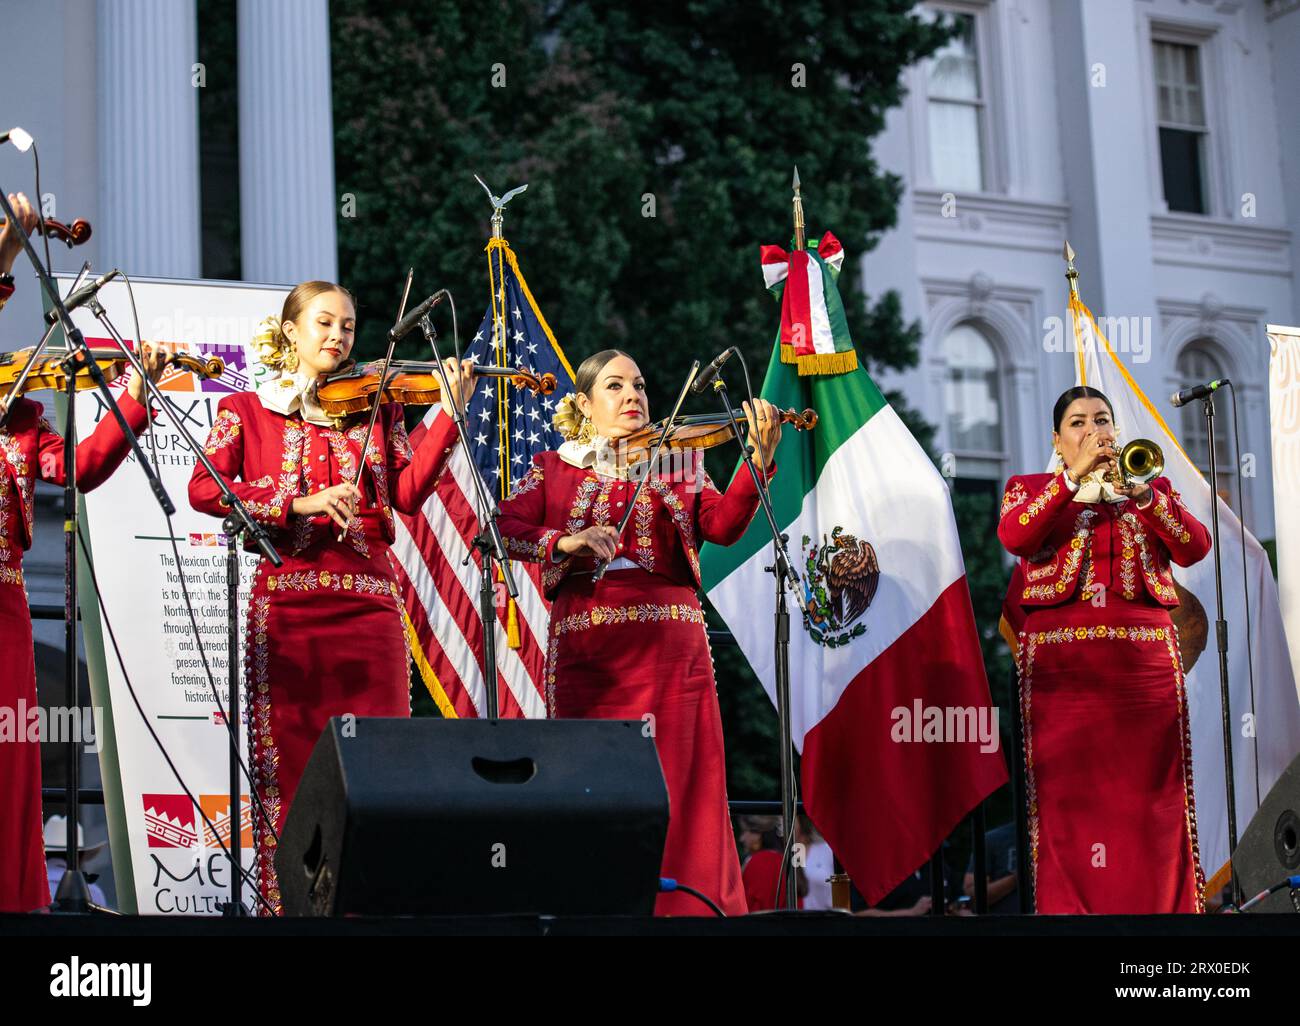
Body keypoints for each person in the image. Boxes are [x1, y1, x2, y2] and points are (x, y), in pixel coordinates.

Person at [188, 280, 475, 916]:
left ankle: (370, 912)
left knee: (377, 770)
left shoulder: (377, 408)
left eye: (347, 326)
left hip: (370, 608)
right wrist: (295, 503)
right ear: (290, 330)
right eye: (323, 323)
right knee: (288, 768)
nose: (338, 336)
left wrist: (450, 413)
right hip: (288, 609)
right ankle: (290, 911)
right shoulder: (247, 409)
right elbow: (205, 489)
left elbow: (405, 494)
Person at [496, 349, 781, 916]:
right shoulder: (555, 467)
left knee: (685, 788)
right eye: (615, 386)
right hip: (590, 655)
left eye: (641, 386)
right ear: (583, 403)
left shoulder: (676, 461)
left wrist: (758, 459)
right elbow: (504, 527)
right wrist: (566, 543)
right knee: (593, 783)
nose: (633, 396)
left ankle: (691, 914)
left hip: (673, 654)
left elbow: (723, 527)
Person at [1, 193, 169, 911]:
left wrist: (137, 393)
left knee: (10, 765)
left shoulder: (22, 419)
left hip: (4, 604)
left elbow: (83, 466)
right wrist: (8, 250)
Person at [998, 386, 1211, 913]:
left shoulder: (1149, 483)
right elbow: (1015, 537)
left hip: (1144, 670)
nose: (1094, 431)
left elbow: (1195, 547)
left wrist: (1144, 496)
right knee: (1069, 806)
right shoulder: (1029, 488)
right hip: (1063, 673)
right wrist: (1071, 483)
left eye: (1102, 419)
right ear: (1057, 438)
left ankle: (1163, 922)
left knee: (1152, 806)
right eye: (1078, 423)